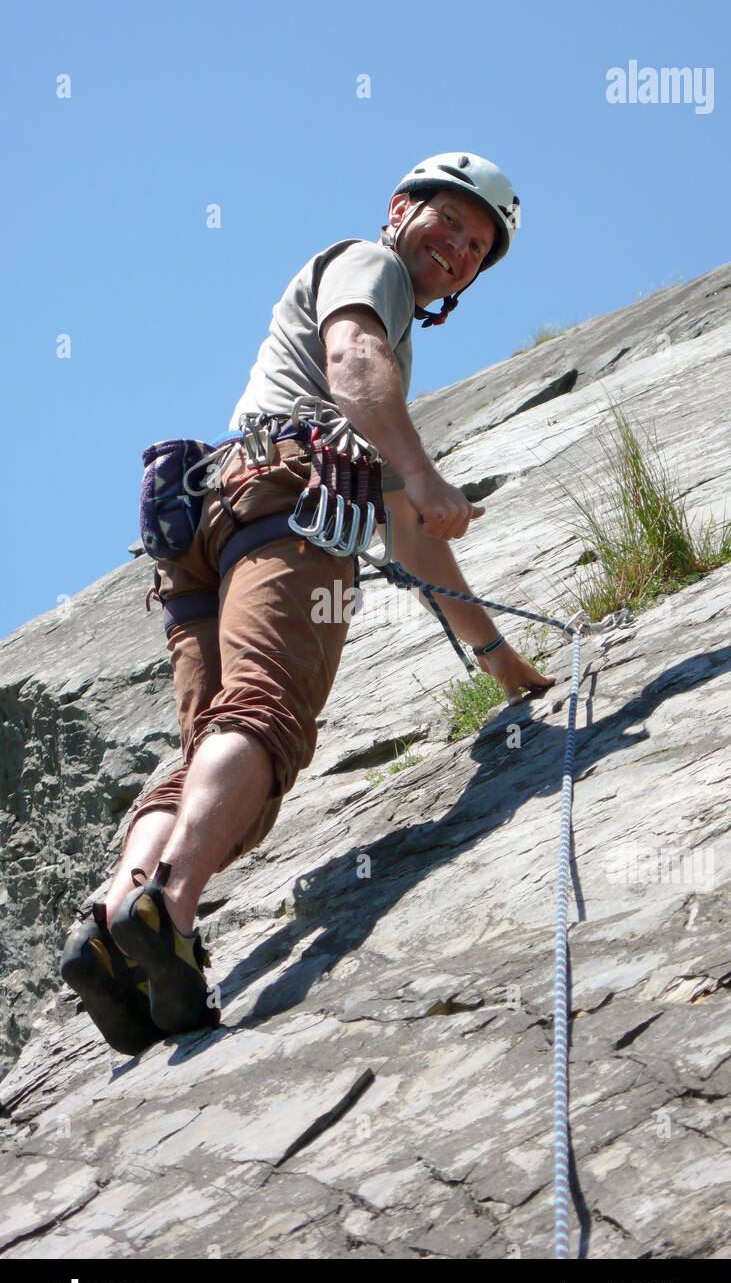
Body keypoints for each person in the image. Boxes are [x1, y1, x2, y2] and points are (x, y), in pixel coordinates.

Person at [60, 153, 555, 1052]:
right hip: (288, 506)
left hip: (204, 524)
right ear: (401, 210)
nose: (458, 249)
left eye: (477, 247)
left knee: (215, 743)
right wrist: (420, 468)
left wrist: (502, 664)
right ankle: (167, 907)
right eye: (449, 223)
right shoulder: (371, 273)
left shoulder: (377, 361)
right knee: (266, 716)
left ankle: (114, 915)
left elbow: (411, 542)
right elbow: (352, 359)